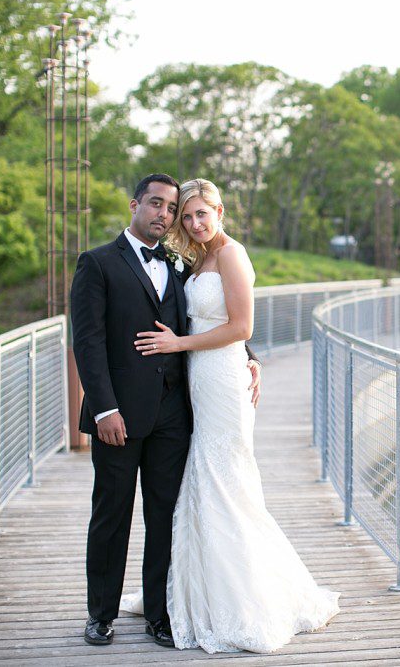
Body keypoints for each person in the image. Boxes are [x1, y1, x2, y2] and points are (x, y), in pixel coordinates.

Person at [132, 178, 339, 653]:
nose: (193, 223)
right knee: (204, 478)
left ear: (221, 211)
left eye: (202, 214)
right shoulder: (196, 257)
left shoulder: (231, 254)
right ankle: (197, 587)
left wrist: (183, 344)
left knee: (227, 478)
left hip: (222, 380)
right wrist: (242, 353)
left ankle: (245, 598)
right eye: (187, 216)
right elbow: (218, 320)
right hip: (198, 378)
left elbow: (242, 325)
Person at [70, 173, 261, 648]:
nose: (165, 214)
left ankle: (160, 613)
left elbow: (209, 321)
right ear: (135, 205)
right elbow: (87, 344)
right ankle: (100, 615)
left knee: (165, 517)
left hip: (175, 415)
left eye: (171, 208)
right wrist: (103, 410)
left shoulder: (180, 265)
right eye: (156, 204)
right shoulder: (97, 264)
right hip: (118, 417)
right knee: (111, 515)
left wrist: (250, 361)